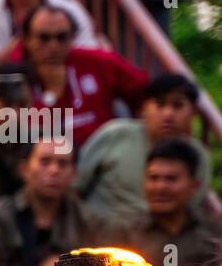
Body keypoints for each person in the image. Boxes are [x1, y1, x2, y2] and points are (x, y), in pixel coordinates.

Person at [76, 74, 213, 234]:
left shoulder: (198, 155)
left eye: (177, 105)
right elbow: (75, 186)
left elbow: (190, 211)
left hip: (160, 244)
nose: (168, 114)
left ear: (193, 112)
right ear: (143, 109)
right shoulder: (114, 135)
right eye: (159, 104)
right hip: (95, 236)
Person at [10, 4, 148, 152]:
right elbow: (18, 134)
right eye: (44, 38)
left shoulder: (98, 62)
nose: (53, 46)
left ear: (72, 38)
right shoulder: (13, 75)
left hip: (103, 158)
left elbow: (145, 91)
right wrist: (53, 94)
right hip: (45, 163)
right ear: (26, 40)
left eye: (61, 38)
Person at [0, 138, 94, 266]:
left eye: (63, 164)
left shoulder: (87, 220)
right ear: (24, 169)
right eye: (44, 162)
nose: (54, 170)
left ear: (74, 174)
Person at [110, 141, 222, 266]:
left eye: (171, 179)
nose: (160, 187)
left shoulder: (214, 233)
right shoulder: (122, 232)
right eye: (153, 178)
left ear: (194, 186)